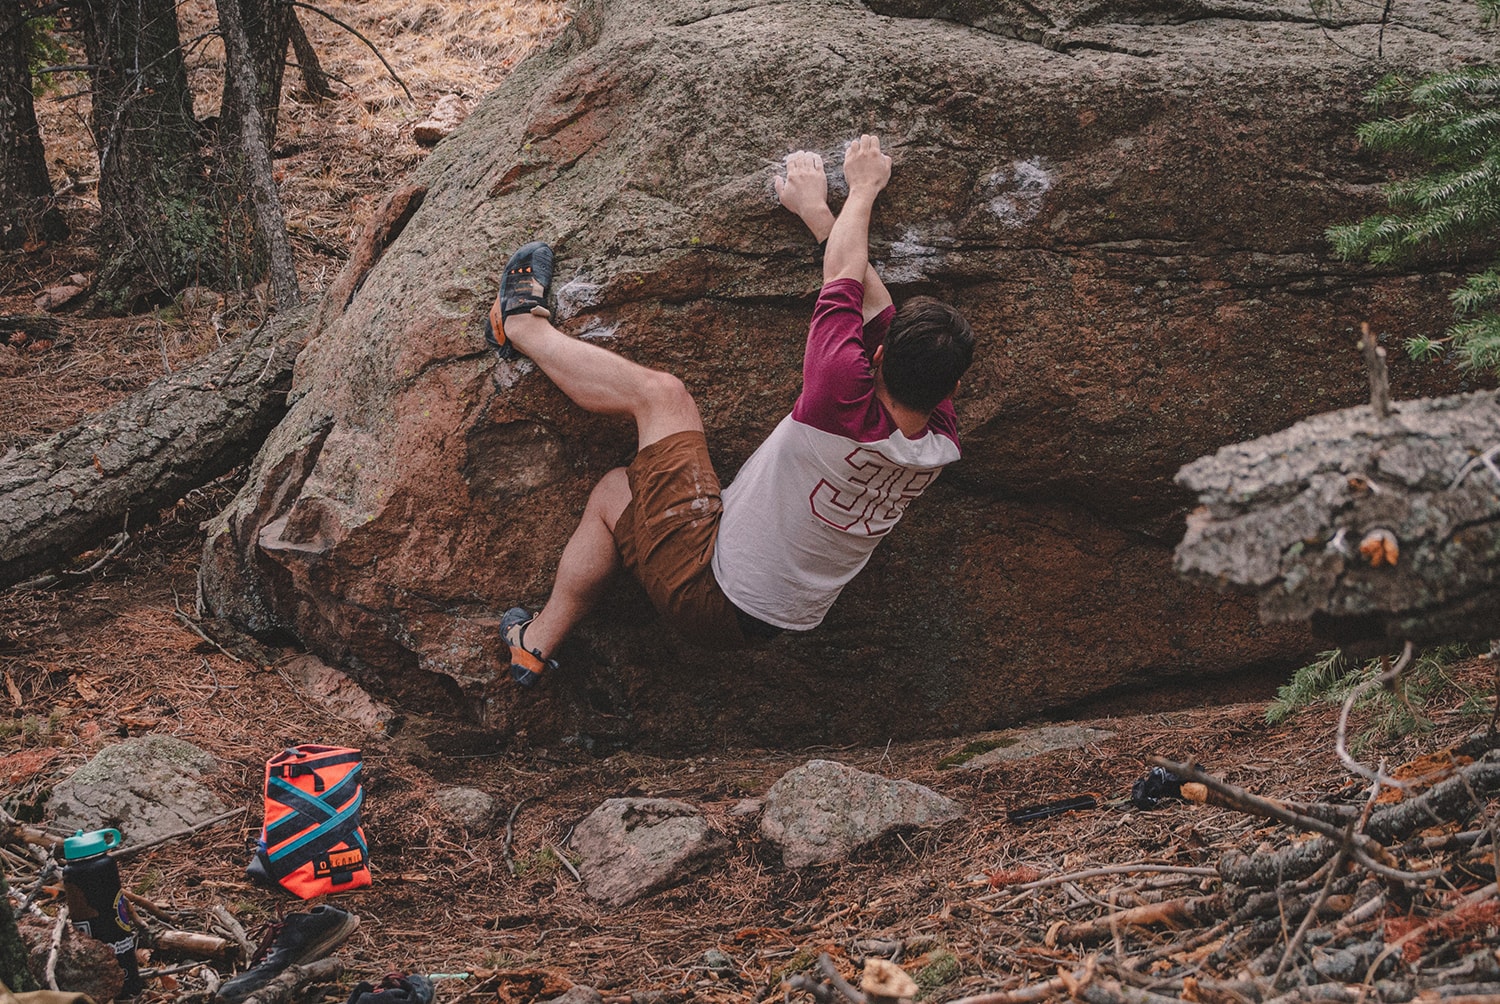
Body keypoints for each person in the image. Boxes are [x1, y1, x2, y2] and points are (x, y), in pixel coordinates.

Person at [485, 134, 974, 686]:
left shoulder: (840, 397)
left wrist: (860, 190)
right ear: (951, 389)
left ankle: (519, 325)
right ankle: (533, 645)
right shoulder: (941, 440)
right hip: (769, 619)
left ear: (876, 357)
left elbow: (847, 277)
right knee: (616, 494)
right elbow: (875, 307)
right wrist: (816, 213)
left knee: (662, 396)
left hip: (709, 583)